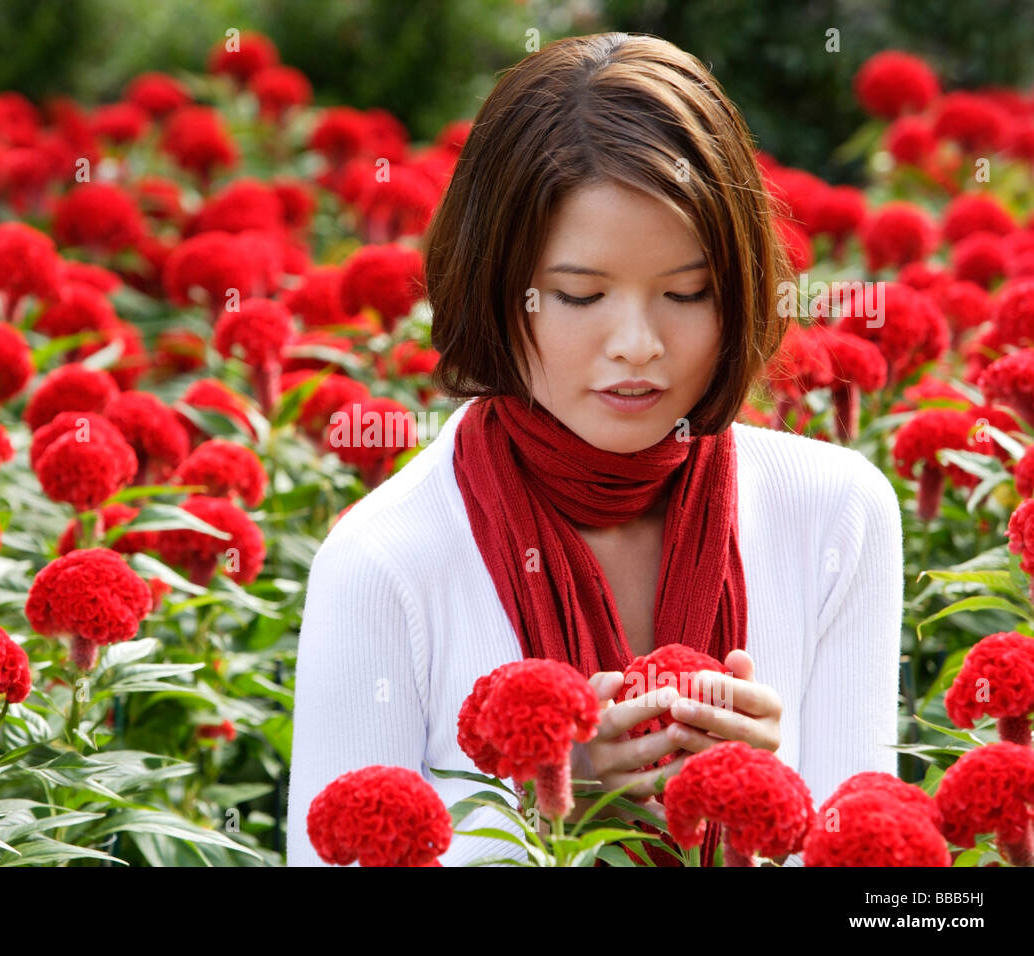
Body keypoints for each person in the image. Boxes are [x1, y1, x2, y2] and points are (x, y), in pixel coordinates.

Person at [285, 32, 903, 867]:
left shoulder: (837, 516)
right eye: (580, 295)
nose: (639, 344)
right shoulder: (385, 561)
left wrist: (767, 802)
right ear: (498, 289)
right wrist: (548, 804)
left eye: (688, 292)